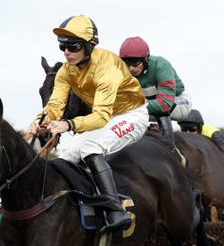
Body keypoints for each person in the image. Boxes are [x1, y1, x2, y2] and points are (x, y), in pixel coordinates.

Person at [28, 15, 149, 233]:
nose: (66, 52)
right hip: (106, 117)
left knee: (90, 147)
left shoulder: (107, 66)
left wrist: (68, 125)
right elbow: (55, 104)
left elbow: (101, 116)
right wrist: (39, 121)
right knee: (65, 155)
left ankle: (115, 209)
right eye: (62, 46)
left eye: (73, 47)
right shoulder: (65, 71)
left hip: (132, 115)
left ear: (88, 46)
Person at [118, 36, 191, 146]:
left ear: (146, 59)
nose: (131, 69)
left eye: (135, 63)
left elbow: (164, 105)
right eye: (127, 63)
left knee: (157, 109)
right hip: (149, 102)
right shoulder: (120, 71)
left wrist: (129, 105)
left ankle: (171, 148)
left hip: (176, 100)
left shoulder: (161, 65)